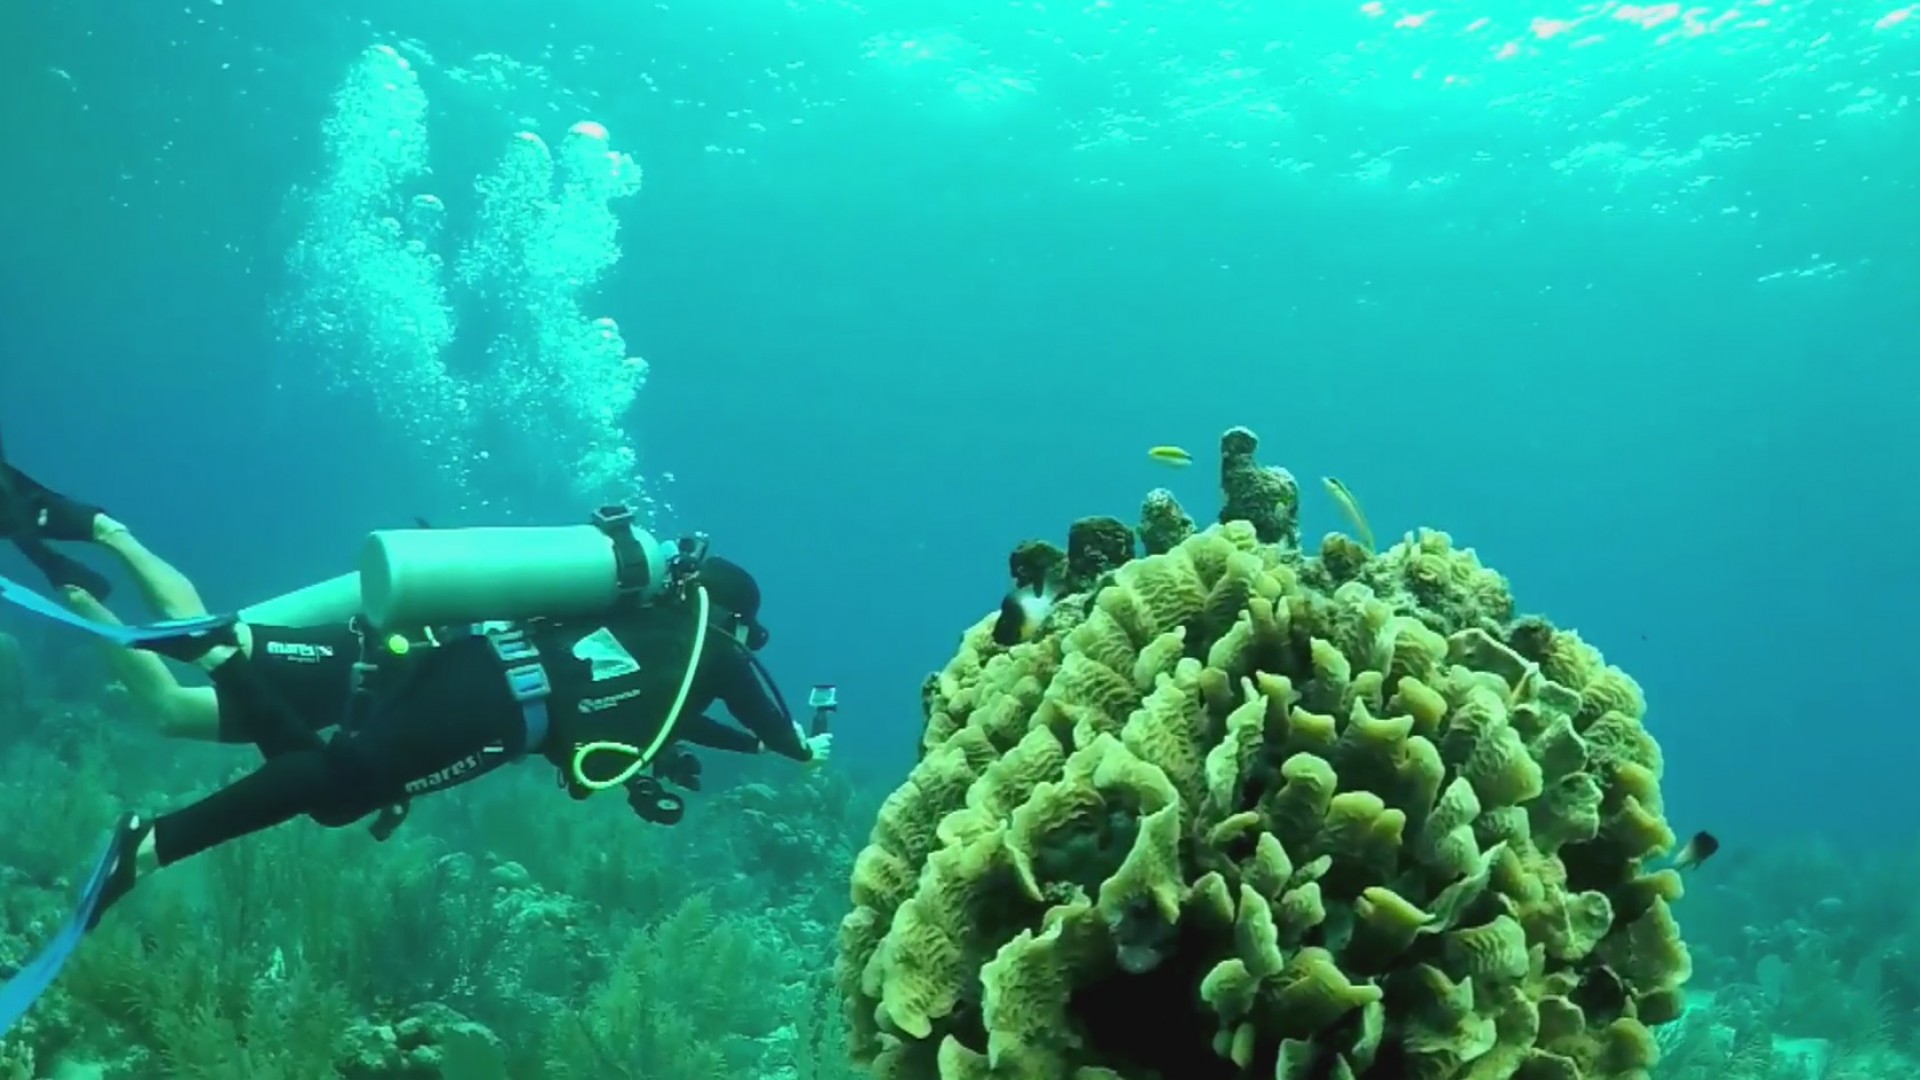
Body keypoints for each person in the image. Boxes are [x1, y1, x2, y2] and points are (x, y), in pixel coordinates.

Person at [0, 479, 830, 922]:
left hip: (464, 686)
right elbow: (756, 707)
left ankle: (78, 583)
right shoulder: (709, 646)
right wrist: (798, 743)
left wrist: (753, 746)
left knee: (203, 721)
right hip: (421, 680)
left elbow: (690, 715)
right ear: (732, 614)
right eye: (746, 631)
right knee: (277, 706)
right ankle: (117, 550)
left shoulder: (659, 642)